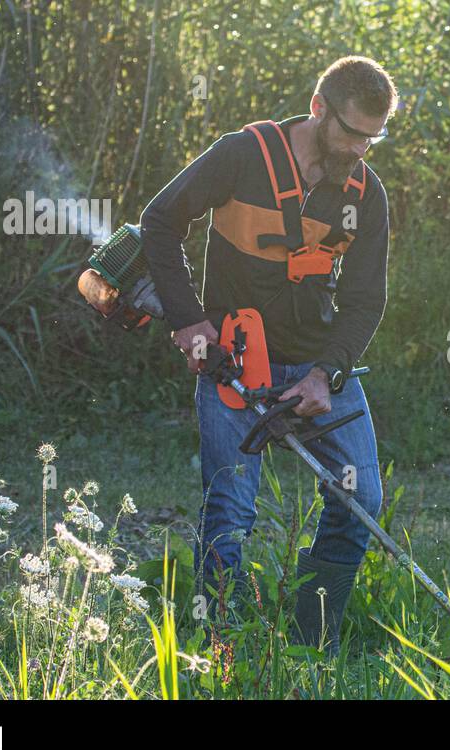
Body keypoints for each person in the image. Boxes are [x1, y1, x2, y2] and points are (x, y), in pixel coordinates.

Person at [140, 56, 397, 655]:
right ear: (318, 108)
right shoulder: (242, 154)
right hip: (233, 360)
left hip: (316, 367)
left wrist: (325, 375)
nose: (361, 148)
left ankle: (314, 638)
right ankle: (218, 647)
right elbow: (160, 220)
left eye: (373, 136)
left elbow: (365, 301)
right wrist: (189, 321)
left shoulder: (366, 194)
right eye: (352, 132)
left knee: (361, 499)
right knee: (229, 508)